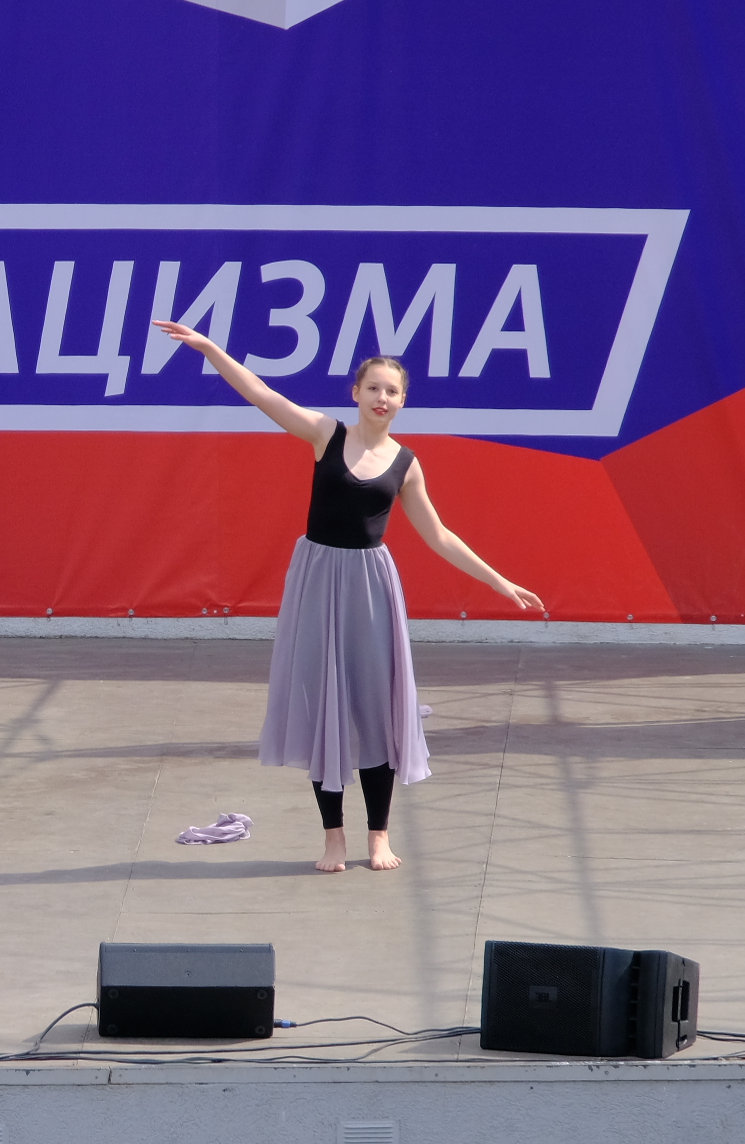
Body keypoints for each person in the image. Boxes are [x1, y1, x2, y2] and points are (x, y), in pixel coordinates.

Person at [150, 326, 544, 873]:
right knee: (324, 709)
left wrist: (498, 580)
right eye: (373, 388)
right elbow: (262, 395)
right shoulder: (325, 434)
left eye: (392, 391)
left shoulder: (406, 464)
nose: (382, 398)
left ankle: (378, 835)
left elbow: (439, 535)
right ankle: (333, 837)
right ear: (355, 393)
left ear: (403, 402)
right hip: (317, 580)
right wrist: (211, 349)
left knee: (376, 710)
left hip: (370, 587)